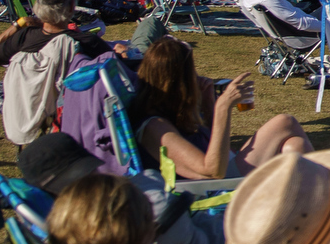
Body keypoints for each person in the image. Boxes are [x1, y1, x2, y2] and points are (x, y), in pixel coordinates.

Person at [131, 37, 311, 180]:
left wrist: (209, 104)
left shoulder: (169, 112)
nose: (197, 76)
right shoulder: (155, 128)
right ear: (179, 81)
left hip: (227, 168)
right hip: (218, 185)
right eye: (192, 73)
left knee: (295, 146)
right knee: (284, 122)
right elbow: (212, 170)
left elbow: (212, 146)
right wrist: (223, 108)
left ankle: (312, 211)